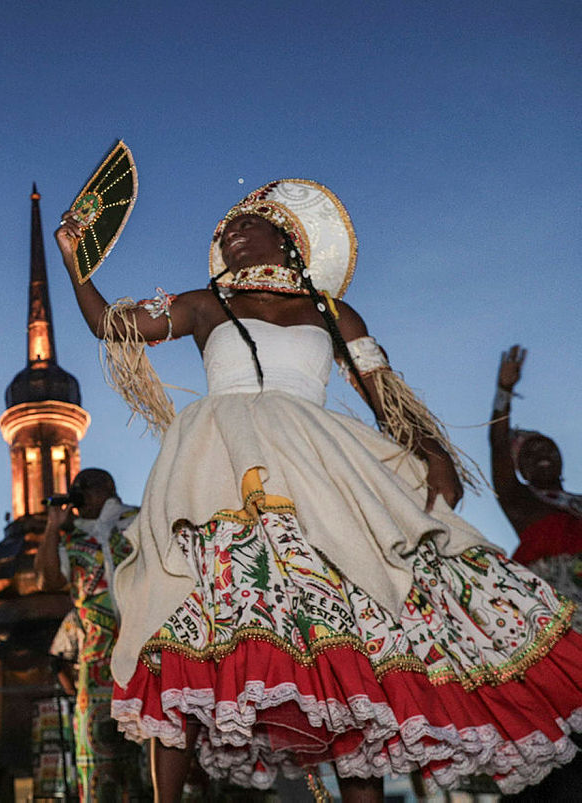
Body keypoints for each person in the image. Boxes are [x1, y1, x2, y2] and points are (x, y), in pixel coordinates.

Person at [53, 179, 582, 801]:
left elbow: (384, 395)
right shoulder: (203, 303)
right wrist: (75, 259)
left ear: (288, 239)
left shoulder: (332, 312)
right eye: (226, 229)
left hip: (319, 467)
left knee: (353, 631)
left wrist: (435, 454)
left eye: (248, 222)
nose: (232, 231)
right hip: (219, 467)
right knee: (184, 621)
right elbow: (109, 325)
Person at [34, 469, 149, 802]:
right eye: (74, 489)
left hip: (146, 652)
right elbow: (46, 580)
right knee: (98, 749)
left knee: (151, 748)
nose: (77, 494)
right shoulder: (73, 539)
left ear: (105, 488)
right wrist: (53, 526)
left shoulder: (137, 521)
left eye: (82, 487)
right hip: (97, 660)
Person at [490, 345, 582, 626]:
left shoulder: (576, 503)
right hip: (558, 612)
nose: (542, 455)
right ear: (521, 470)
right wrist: (503, 392)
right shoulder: (520, 501)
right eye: (530, 453)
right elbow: (498, 444)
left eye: (548, 448)